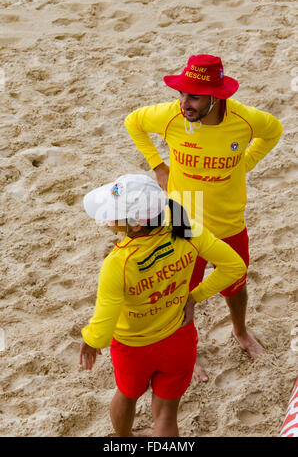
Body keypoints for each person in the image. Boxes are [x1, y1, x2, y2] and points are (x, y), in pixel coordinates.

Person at [124, 54, 283, 381]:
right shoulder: (170, 117)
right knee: (181, 290)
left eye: (193, 96)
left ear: (216, 97)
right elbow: (133, 122)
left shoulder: (246, 119)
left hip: (228, 216)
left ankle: (240, 331)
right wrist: (158, 165)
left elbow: (275, 130)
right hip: (184, 214)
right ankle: (187, 350)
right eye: (181, 94)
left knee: (236, 285)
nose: (184, 103)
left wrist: (246, 162)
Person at [79, 173, 247, 437]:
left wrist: (89, 340)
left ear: (135, 226)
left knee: (126, 394)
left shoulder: (117, 263)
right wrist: (195, 295)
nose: (108, 217)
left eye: (114, 213)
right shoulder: (188, 230)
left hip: (133, 348)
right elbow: (235, 266)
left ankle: (125, 439)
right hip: (177, 337)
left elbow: (102, 328)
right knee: (167, 415)